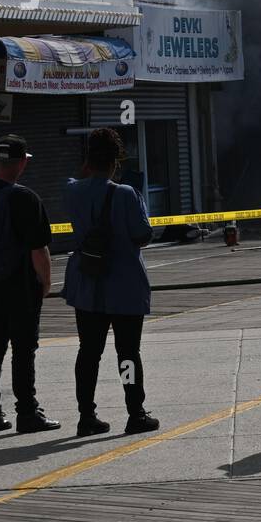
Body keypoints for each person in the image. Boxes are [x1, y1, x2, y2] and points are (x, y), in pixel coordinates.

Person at [63, 128, 160, 438]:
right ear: (117, 161)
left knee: (88, 352)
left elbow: (79, 180)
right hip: (124, 286)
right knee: (128, 353)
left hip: (87, 285)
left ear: (88, 160)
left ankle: (86, 416)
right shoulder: (126, 194)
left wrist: (89, 168)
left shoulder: (72, 190)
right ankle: (135, 414)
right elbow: (142, 234)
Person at [0, 135, 59, 434]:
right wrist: (45, 282)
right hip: (20, 284)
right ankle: (27, 413)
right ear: (23, 162)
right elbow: (38, 249)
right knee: (23, 349)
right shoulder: (26, 198)